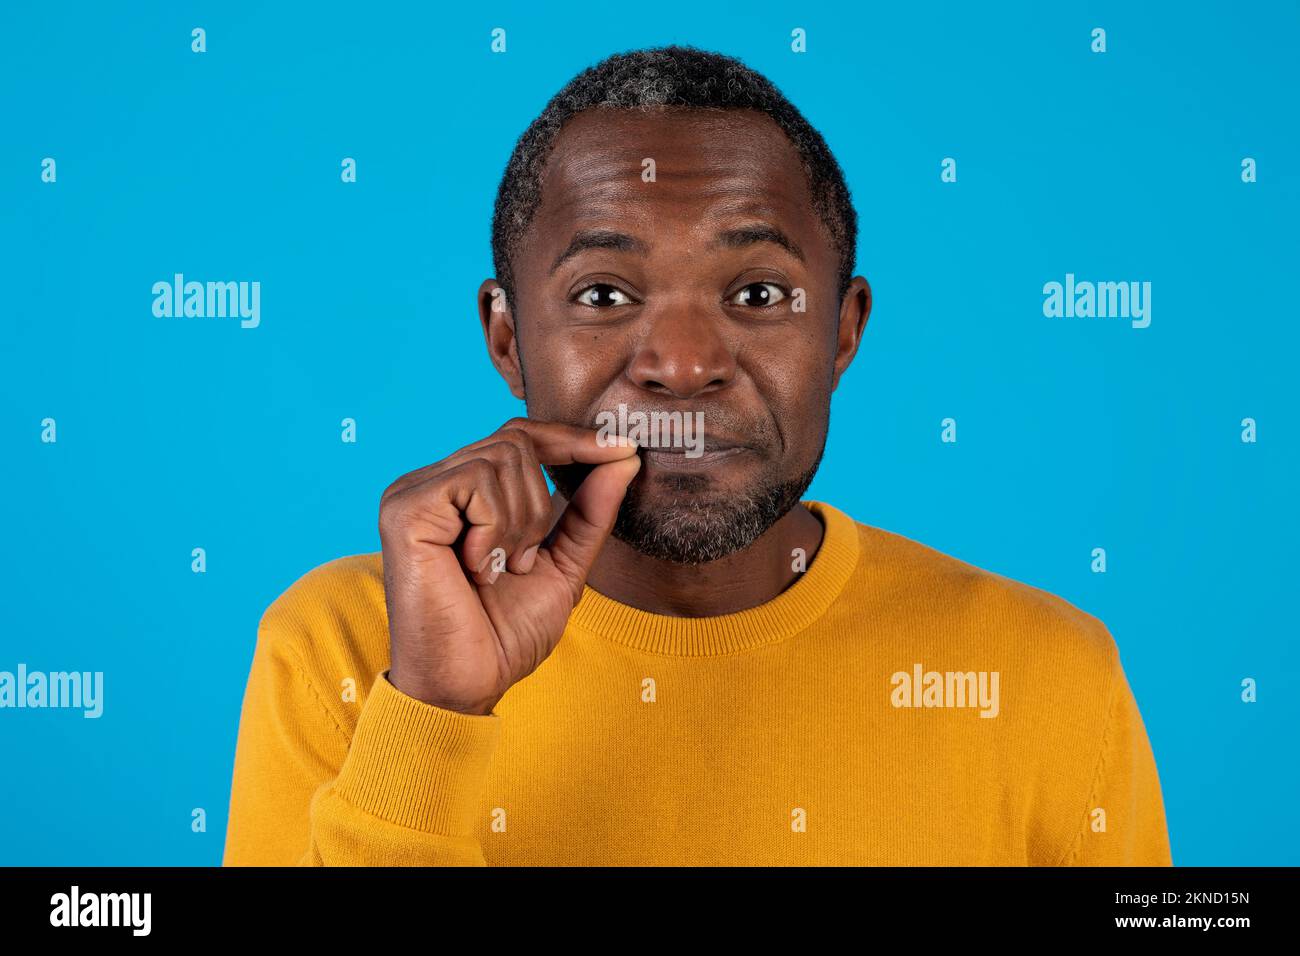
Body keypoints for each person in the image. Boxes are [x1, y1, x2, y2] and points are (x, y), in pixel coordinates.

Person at [222, 45, 1172, 866]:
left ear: (842, 334)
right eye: (601, 295)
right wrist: (432, 713)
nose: (683, 366)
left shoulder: (1047, 675)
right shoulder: (344, 649)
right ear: (507, 341)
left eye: (758, 295)